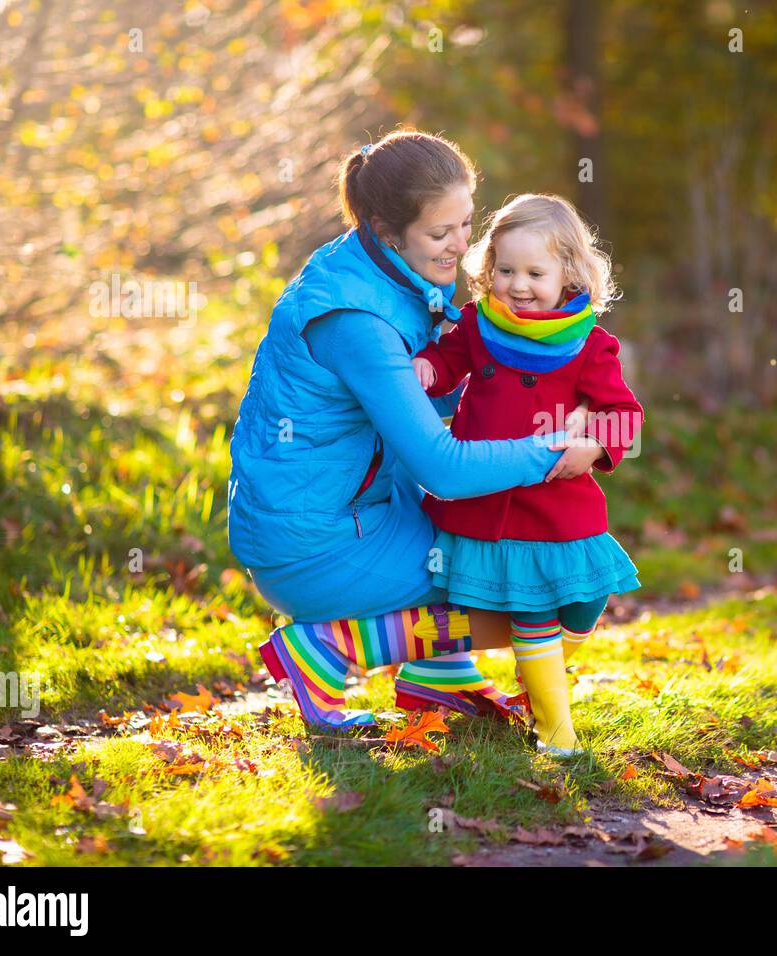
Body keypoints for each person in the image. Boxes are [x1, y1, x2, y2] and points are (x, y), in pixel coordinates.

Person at [226, 131, 585, 731]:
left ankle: (440, 673)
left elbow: (430, 393)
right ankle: (324, 650)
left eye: (467, 225)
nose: (461, 248)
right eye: (440, 234)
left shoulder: (385, 270)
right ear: (387, 228)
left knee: (490, 541)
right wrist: (548, 452)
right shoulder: (354, 318)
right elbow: (439, 464)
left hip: (364, 508)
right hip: (315, 541)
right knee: (528, 584)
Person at [411, 194, 644, 755]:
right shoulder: (478, 325)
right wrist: (427, 367)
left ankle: (532, 674)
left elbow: (624, 413)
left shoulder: (589, 344)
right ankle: (555, 735)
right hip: (488, 503)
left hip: (557, 505)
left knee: (585, 605)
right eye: (505, 271)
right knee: (529, 612)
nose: (518, 285)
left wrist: (594, 445)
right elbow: (449, 363)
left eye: (535, 273)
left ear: (569, 274)